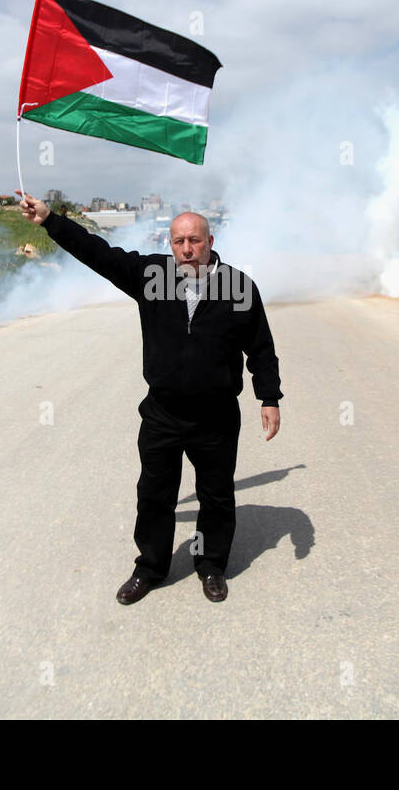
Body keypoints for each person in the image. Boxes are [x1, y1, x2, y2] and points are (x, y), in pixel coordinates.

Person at [18, 191, 282, 605]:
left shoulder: (238, 286)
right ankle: (151, 568)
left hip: (215, 417)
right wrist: (52, 219)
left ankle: (211, 564)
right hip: (163, 413)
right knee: (155, 494)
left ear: (210, 242)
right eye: (179, 241)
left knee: (215, 495)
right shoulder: (150, 276)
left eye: (195, 240)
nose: (187, 249)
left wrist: (269, 396)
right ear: (170, 244)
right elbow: (98, 253)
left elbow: (261, 347)